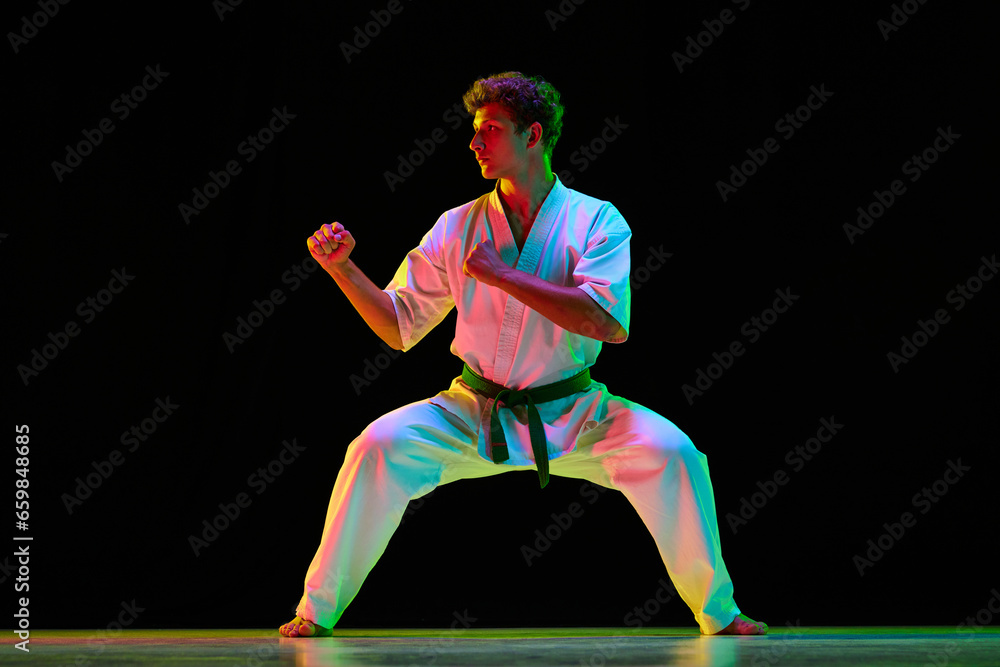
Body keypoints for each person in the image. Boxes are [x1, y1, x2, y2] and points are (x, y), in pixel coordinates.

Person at [279, 72, 767, 637]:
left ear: (533, 135)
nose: (474, 142)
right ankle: (316, 611)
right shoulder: (457, 225)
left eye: (490, 129)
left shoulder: (596, 220)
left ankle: (720, 613)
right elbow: (398, 326)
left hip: (577, 410)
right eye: (474, 130)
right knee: (376, 447)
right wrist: (343, 269)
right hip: (472, 408)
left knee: (674, 454)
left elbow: (606, 323)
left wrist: (506, 275)